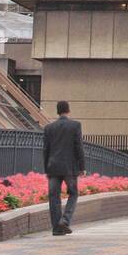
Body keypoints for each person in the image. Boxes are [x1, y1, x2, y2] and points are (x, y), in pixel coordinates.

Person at [43, 100, 84, 236]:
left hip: (53, 167)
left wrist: (46, 168)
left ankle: (56, 229)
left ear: (57, 111)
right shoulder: (75, 126)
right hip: (69, 168)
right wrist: (82, 166)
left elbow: (46, 150)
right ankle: (65, 220)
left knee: (54, 196)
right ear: (68, 111)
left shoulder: (49, 128)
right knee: (73, 193)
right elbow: (78, 147)